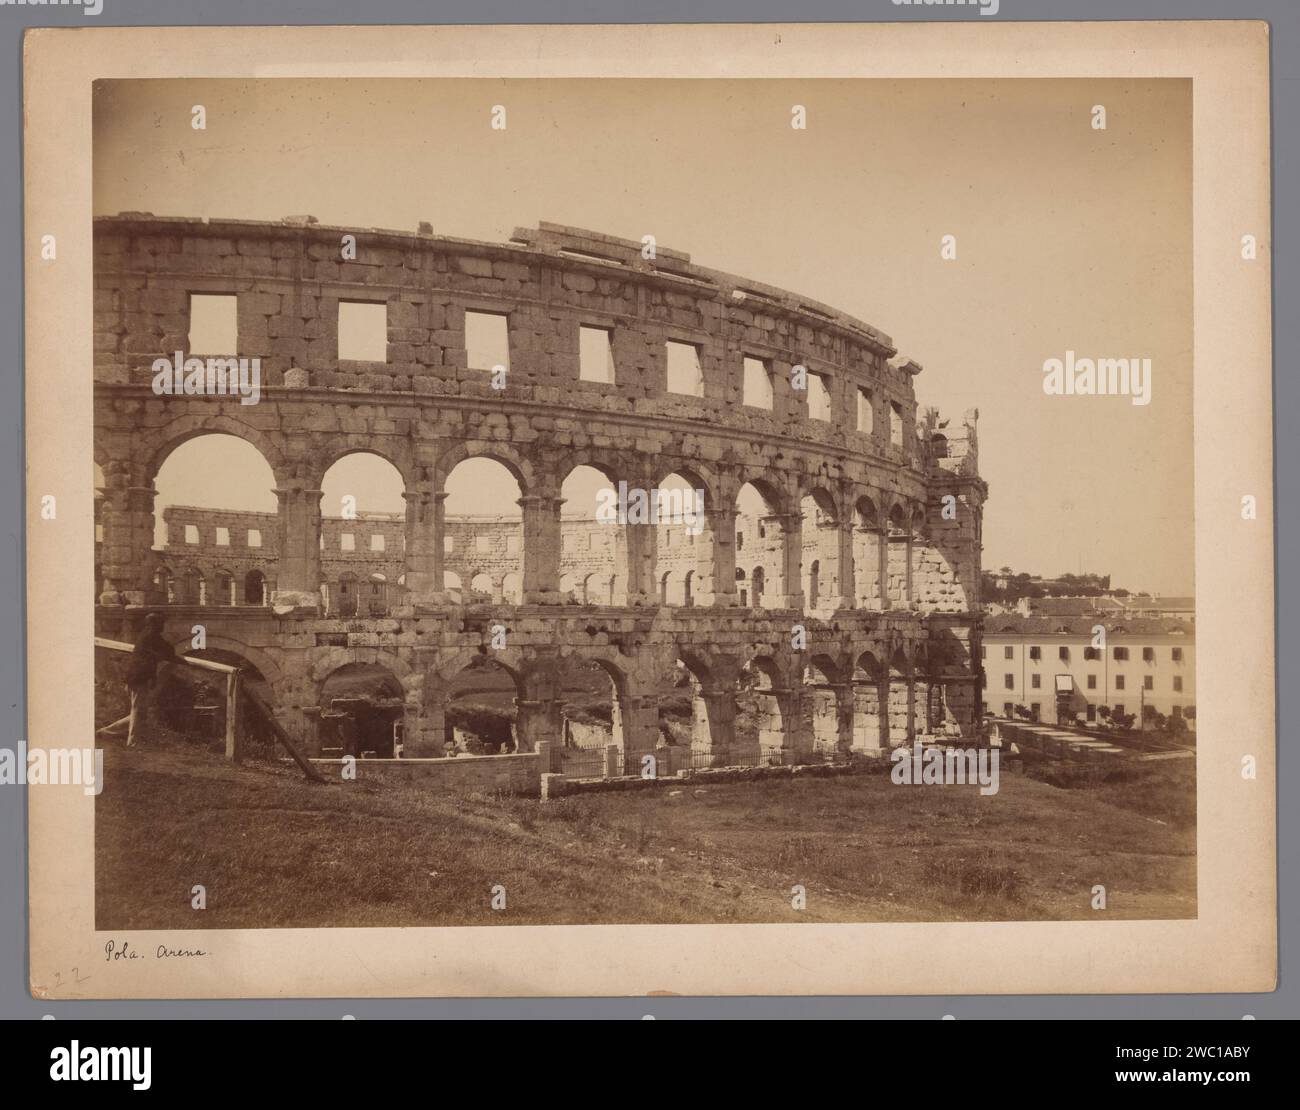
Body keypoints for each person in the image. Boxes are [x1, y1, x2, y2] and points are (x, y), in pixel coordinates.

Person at [124, 612, 176, 747]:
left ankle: (105, 732)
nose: (163, 626)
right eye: (161, 623)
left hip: (133, 677)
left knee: (139, 711)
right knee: (138, 711)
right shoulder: (152, 637)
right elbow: (170, 651)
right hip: (139, 678)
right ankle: (133, 742)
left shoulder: (146, 636)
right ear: (155, 625)